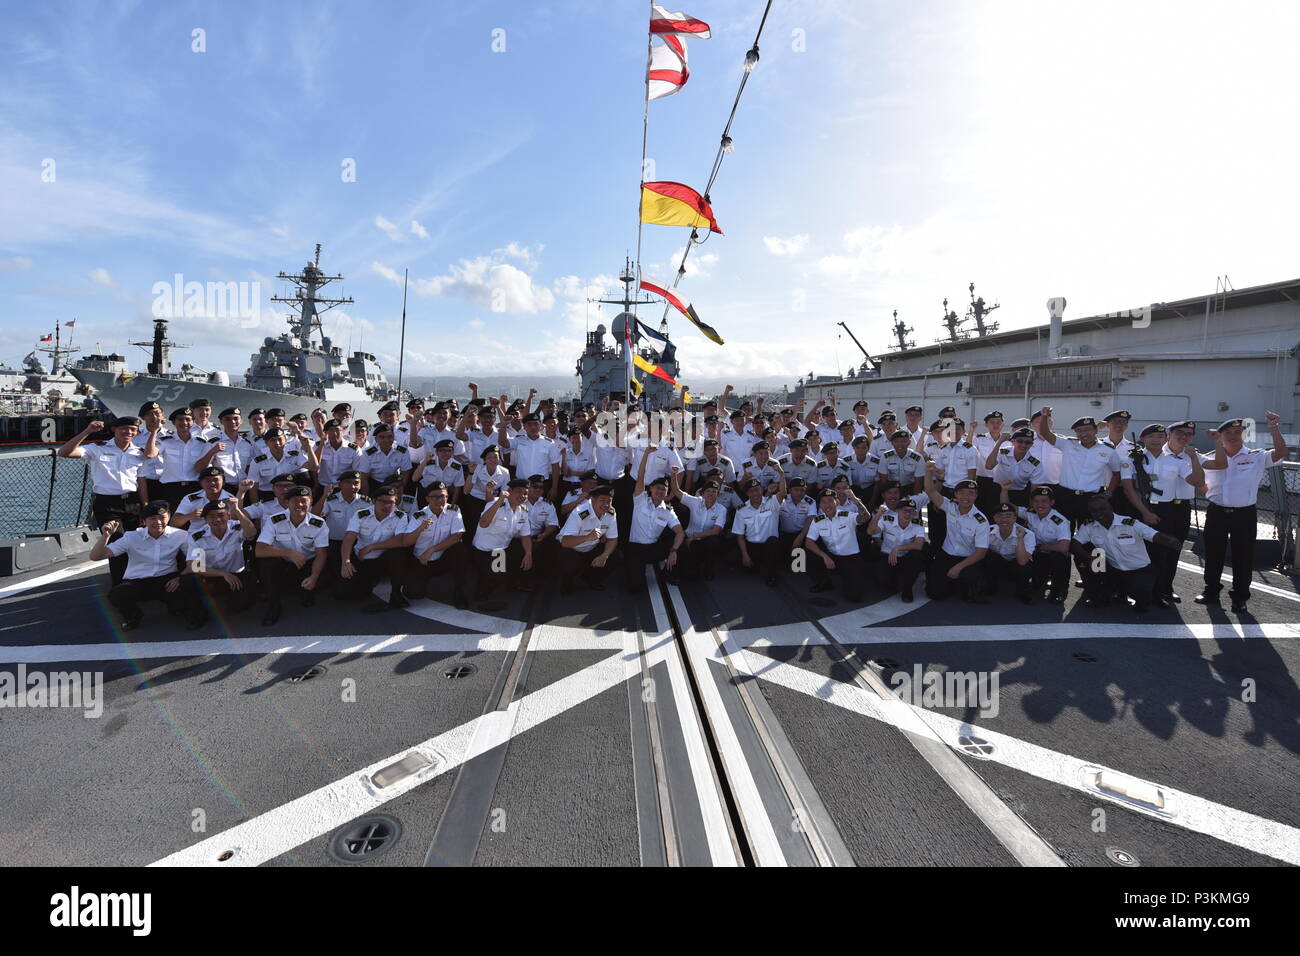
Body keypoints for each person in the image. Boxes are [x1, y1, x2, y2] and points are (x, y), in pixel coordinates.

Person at [1196, 412, 1289, 613]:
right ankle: (1211, 591)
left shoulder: (1255, 456)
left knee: (1243, 556)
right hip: (1216, 512)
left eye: (1237, 432)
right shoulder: (1210, 458)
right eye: (1227, 432)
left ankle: (1240, 597)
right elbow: (1199, 481)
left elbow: (1280, 452)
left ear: (1244, 435)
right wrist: (1211, 494)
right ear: (1219, 436)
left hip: (1244, 514)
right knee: (1213, 554)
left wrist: (1274, 427)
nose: (1232, 436)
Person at [59, 416, 158, 586]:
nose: (128, 432)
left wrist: (145, 507)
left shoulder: (138, 453)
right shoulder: (97, 448)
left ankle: (136, 580)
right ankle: (120, 585)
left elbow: (141, 482)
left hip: (132, 503)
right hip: (107, 504)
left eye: (133, 429)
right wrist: (87, 431)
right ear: (114, 430)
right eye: (124, 428)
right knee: (117, 543)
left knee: (135, 542)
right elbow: (64, 453)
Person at [1119, 422, 1205, 607]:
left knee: (1162, 554)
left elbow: (1197, 481)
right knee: (1135, 552)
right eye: (1151, 437)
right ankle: (1133, 592)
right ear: (1143, 439)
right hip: (1139, 509)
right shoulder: (1132, 459)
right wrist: (1144, 512)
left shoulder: (1176, 461)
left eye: (1159, 437)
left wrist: (1194, 458)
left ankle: (1158, 593)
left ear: (1166, 439)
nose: (1155, 440)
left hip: (1165, 511)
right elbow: (1128, 488)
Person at [90, 501, 204, 630]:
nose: (158, 522)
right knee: (119, 594)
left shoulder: (180, 535)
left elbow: (197, 559)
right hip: (138, 581)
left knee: (188, 585)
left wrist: (180, 577)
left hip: (166, 580)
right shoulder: (131, 537)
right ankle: (133, 616)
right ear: (143, 521)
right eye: (153, 519)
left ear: (169, 517)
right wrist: (106, 536)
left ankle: (188, 613)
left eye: (162, 517)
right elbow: (96, 556)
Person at [1070, 494, 1181, 613]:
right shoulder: (1089, 527)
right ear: (1090, 513)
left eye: (1102, 509)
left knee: (1142, 601)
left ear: (1110, 508)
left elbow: (1153, 535)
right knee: (1091, 556)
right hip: (1114, 570)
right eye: (1094, 511)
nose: (1099, 513)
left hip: (1139, 570)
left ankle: (1135, 593)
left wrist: (1170, 541)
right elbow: (1074, 544)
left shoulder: (1130, 523)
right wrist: (1088, 557)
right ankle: (1100, 595)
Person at [254, 485, 330, 625]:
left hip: (306, 565)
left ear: (311, 502)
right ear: (287, 503)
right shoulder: (274, 520)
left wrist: (314, 577)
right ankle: (274, 606)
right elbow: (259, 550)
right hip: (283, 564)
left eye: (304, 501)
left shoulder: (318, 524)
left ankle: (307, 590)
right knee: (267, 564)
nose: (300, 505)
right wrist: (288, 553)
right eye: (295, 500)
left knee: (322, 576)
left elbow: (321, 555)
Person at [1035, 407, 1120, 529]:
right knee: (1062, 530)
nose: (1084, 433)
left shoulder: (1108, 451)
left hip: (1090, 499)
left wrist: (1107, 494)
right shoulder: (1067, 444)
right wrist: (1044, 416)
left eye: (1087, 430)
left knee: (1087, 533)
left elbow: (1117, 474)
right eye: (1079, 431)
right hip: (1065, 496)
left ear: (1095, 430)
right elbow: (1045, 433)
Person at [921, 464, 989, 602]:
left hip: (967, 560)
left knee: (969, 592)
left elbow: (981, 553)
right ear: (956, 495)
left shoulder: (981, 521)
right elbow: (930, 491)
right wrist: (928, 472)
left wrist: (959, 567)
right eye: (962, 493)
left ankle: (964, 584)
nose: (966, 497)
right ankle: (951, 583)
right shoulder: (950, 506)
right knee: (934, 593)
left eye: (971, 493)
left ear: (976, 496)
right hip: (946, 555)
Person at [339, 484, 411, 612]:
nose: (386, 505)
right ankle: (370, 581)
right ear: (373, 501)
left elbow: (400, 540)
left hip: (385, 559)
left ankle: (396, 593)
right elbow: (349, 538)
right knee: (347, 594)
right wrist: (346, 561)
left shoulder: (401, 516)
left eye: (391, 502)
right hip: (362, 559)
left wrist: (372, 547)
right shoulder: (361, 514)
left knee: (399, 553)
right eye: (382, 501)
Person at [624, 447, 685, 592]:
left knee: (679, 544)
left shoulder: (668, 510)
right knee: (635, 587)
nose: (660, 491)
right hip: (635, 549)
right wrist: (646, 454)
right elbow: (641, 475)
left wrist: (674, 551)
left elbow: (680, 532)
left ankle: (668, 572)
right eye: (657, 488)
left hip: (652, 549)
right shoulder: (640, 499)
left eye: (664, 489)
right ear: (650, 489)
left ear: (666, 493)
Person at [184, 498, 258, 614]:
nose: (217, 519)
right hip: (210, 575)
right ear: (206, 519)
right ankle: (198, 615)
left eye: (221, 515)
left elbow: (251, 533)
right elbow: (194, 566)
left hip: (236, 576)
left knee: (239, 607)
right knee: (188, 581)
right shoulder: (197, 536)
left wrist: (237, 510)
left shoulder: (237, 527)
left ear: (228, 516)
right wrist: (222, 574)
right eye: (212, 516)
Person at [403, 481, 470, 609]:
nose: (440, 500)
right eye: (435, 497)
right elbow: (406, 542)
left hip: (442, 558)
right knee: (413, 594)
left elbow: (457, 536)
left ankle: (459, 591)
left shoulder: (453, 511)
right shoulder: (419, 516)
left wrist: (432, 550)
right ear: (427, 498)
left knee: (460, 549)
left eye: (443, 496)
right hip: (422, 561)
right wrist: (420, 529)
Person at [1006, 485, 1073, 602]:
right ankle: (1036, 582)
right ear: (1032, 502)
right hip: (1037, 555)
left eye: (1044, 501)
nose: (1040, 505)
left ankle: (1059, 591)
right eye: (1036, 501)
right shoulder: (1030, 513)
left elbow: (1064, 547)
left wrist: (1042, 547)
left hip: (1053, 554)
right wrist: (1004, 490)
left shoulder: (1060, 521)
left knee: (1060, 558)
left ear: (1052, 502)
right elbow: (1007, 507)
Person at [801, 488, 868, 601]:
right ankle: (823, 581)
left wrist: (855, 500)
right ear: (820, 505)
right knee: (809, 552)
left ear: (837, 502)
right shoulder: (818, 521)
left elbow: (865, 517)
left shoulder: (847, 516)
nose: (827, 505)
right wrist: (825, 556)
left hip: (850, 559)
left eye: (830, 500)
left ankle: (851, 579)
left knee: (854, 597)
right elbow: (809, 542)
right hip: (832, 557)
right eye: (823, 501)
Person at [471, 477, 534, 598]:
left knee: (501, 578)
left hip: (501, 550)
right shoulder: (494, 503)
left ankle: (514, 582)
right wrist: (500, 500)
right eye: (518, 491)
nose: (522, 495)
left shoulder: (523, 511)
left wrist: (528, 554)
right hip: (484, 551)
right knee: (490, 583)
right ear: (509, 491)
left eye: (525, 493)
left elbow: (526, 536)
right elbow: (483, 523)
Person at [558, 484, 620, 593]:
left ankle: (591, 579)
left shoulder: (611, 512)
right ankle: (567, 580)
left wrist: (604, 556)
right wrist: (587, 537)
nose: (606, 504)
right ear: (592, 500)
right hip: (572, 549)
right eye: (602, 500)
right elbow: (565, 542)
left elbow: (612, 539)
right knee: (569, 563)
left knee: (615, 556)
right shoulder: (580, 513)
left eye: (609, 501)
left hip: (592, 548)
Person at [732, 472, 786, 588]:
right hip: (752, 546)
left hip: (769, 546)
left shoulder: (772, 503)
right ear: (747, 494)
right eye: (751, 491)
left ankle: (771, 575)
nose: (755, 493)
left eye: (757, 489)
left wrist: (781, 475)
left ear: (762, 490)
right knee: (735, 559)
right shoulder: (742, 509)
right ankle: (760, 566)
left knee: (773, 542)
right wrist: (745, 554)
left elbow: (782, 493)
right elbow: (740, 536)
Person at [671, 473, 728, 580]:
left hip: (704, 540)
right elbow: (676, 491)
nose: (711, 494)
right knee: (690, 575)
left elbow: (716, 531)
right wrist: (674, 474)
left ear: (718, 494)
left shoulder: (721, 509)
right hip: (691, 541)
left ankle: (709, 567)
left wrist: (695, 536)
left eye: (714, 491)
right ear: (702, 494)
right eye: (708, 491)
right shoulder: (695, 501)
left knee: (713, 541)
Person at [867, 498, 926, 602]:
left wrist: (898, 548)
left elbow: (919, 545)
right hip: (887, 556)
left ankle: (907, 590)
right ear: (897, 511)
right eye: (905, 510)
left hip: (906, 558)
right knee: (884, 583)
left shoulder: (918, 524)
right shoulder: (886, 520)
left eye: (911, 511)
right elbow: (870, 531)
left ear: (915, 513)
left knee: (917, 556)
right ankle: (898, 580)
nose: (908, 514)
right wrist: (878, 515)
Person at [983, 503, 1035, 603]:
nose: (1004, 519)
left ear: (1015, 518)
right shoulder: (987, 531)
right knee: (988, 556)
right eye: (1000, 516)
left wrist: (1020, 538)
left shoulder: (1027, 534)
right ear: (994, 518)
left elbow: (1022, 561)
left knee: (1025, 565)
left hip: (1016, 564)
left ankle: (1022, 592)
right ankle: (990, 587)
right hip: (998, 563)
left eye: (1008, 516)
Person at [988, 427, 1047, 508]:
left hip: (1019, 494)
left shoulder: (1035, 463)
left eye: (1028, 442)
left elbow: (1034, 490)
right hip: (997, 490)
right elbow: (989, 466)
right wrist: (999, 442)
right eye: (1020, 441)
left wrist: (1031, 511)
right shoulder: (1003, 452)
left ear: (1032, 444)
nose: (1023, 445)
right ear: (1013, 441)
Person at [170, 466, 237, 527]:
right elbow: (173, 523)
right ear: (201, 483)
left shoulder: (231, 499)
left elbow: (237, 523)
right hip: (196, 538)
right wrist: (189, 516)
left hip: (222, 537)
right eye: (208, 480)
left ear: (224, 482)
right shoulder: (190, 498)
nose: (212, 483)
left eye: (216, 480)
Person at [359, 424, 411, 496]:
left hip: (394, 483)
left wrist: (399, 491)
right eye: (382, 437)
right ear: (376, 439)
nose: (386, 440)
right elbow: (364, 478)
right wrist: (367, 498)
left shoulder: (402, 450)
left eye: (390, 437)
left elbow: (405, 474)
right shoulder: (368, 453)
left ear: (394, 437)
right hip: (375, 483)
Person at [413, 439, 466, 505]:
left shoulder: (457, 466)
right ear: (436, 452)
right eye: (442, 451)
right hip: (426, 494)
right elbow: (414, 479)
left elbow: (457, 487)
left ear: (452, 453)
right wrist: (425, 462)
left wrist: (452, 504)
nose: (446, 454)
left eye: (449, 451)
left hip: (444, 495)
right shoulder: (428, 461)